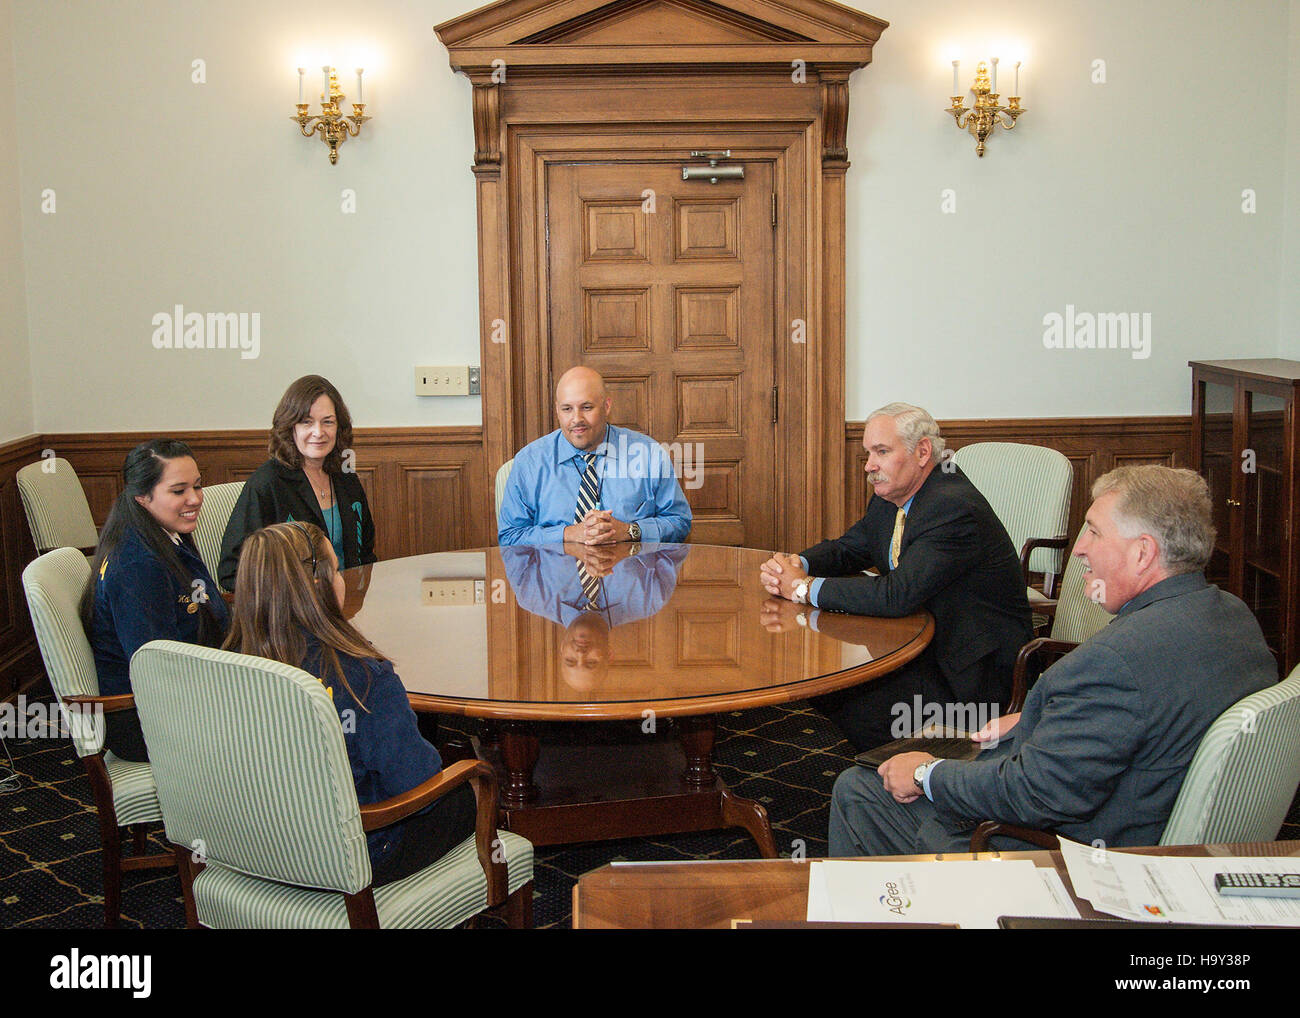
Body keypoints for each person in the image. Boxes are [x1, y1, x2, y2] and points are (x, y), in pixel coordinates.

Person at [828, 465, 1278, 856]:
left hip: (1078, 853)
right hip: (1167, 828)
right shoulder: (1233, 616)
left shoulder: (1114, 662)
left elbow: (1036, 795)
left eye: (1095, 532)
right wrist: (1035, 721)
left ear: (1142, 553)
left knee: (861, 790)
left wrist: (927, 773)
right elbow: (1139, 720)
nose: (1079, 549)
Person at [760, 402, 1032, 750]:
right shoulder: (892, 495)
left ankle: (909, 779)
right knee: (830, 685)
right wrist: (797, 562)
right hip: (922, 645)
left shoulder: (953, 506)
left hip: (970, 675)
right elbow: (850, 548)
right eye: (868, 453)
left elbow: (895, 595)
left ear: (922, 452)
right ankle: (889, 771)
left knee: (845, 692)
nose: (869, 466)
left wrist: (800, 587)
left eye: (882, 452)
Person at [223, 522, 476, 886]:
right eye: (337, 569)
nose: (341, 578)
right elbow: (416, 782)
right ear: (317, 584)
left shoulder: (226, 662)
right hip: (355, 853)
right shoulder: (361, 676)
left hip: (258, 844)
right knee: (469, 792)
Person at [84, 439, 229, 762]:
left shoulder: (165, 536)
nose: (194, 499)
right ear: (142, 497)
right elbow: (159, 670)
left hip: (184, 698)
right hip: (147, 722)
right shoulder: (138, 565)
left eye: (198, 486)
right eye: (179, 491)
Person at [497, 366, 692, 546]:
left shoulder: (648, 454)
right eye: (567, 409)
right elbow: (510, 536)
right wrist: (569, 534)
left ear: (606, 406)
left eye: (587, 407)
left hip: (630, 578)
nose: (577, 419)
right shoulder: (530, 462)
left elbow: (679, 522)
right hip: (556, 581)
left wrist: (629, 530)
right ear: (557, 410)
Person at [218, 375, 375, 590]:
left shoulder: (346, 477)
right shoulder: (267, 484)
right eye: (306, 422)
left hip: (349, 606)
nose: (318, 432)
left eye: (327, 421)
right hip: (295, 616)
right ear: (290, 427)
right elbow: (232, 571)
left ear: (339, 427)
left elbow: (366, 555)